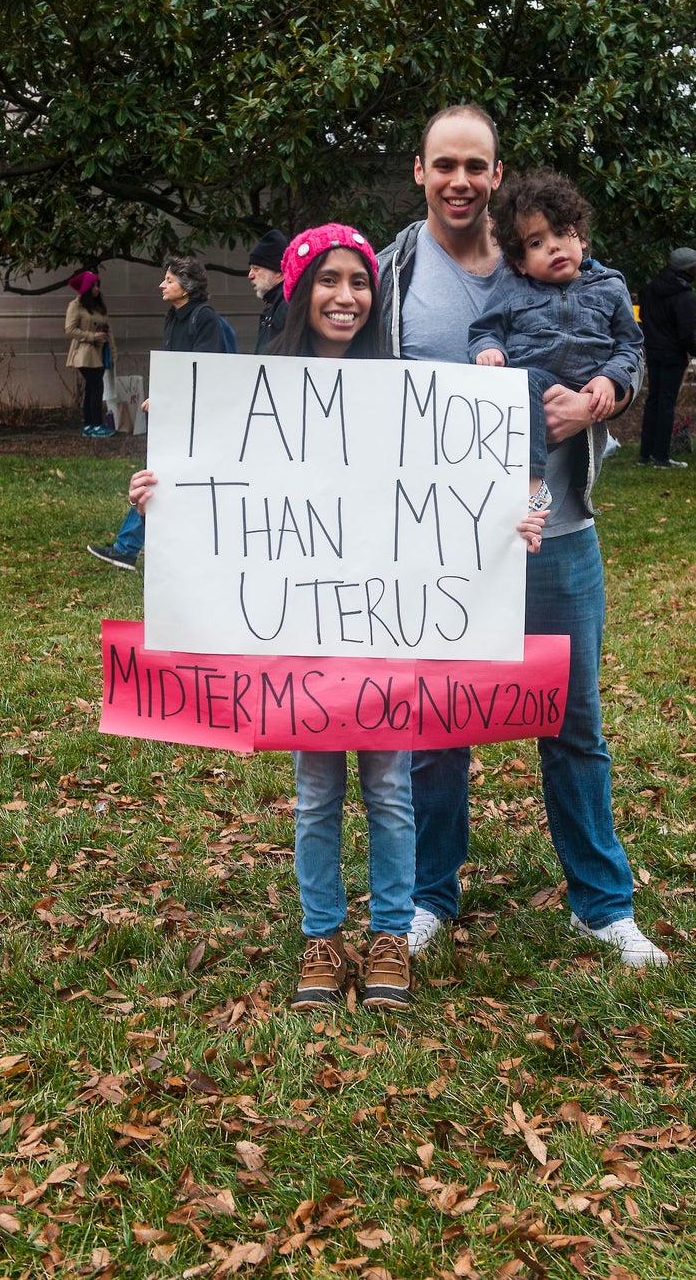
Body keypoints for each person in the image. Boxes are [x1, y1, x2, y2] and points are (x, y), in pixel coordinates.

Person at [128, 221, 547, 1010]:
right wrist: (161, 496)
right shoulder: (251, 393)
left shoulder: (412, 388)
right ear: (299, 290)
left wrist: (526, 510)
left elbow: (498, 474)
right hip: (298, 637)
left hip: (387, 635)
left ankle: (390, 933)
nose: (346, 296)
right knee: (316, 794)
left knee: (391, 789)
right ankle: (322, 938)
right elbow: (211, 493)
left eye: (359, 281)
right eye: (329, 280)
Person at [378, 104, 666, 967]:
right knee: (436, 725)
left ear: (497, 175)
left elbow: (633, 350)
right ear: (419, 173)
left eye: (476, 164)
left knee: (574, 721)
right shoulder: (390, 269)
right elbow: (329, 372)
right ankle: (430, 897)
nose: (459, 179)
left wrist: (600, 401)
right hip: (433, 543)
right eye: (443, 165)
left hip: (560, 531)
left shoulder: (553, 250)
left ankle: (602, 905)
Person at [468, 168, 642, 510]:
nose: (553, 247)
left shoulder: (609, 284)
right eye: (536, 243)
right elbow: (485, 329)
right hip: (534, 385)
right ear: (519, 263)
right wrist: (488, 348)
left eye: (562, 233)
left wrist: (610, 379)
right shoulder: (511, 287)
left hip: (588, 386)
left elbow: (630, 345)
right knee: (525, 382)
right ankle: (532, 485)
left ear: (581, 238)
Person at [87, 257, 237, 571]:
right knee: (161, 477)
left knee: (166, 478)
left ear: (187, 286)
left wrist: (166, 399)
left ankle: (130, 548)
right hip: (176, 416)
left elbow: (204, 371)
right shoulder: (174, 316)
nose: (162, 284)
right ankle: (130, 548)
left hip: (197, 419)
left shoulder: (203, 319)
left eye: (169, 279)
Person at [637, 248, 696, 470]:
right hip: (673, 354)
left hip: (653, 351)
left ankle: (645, 453)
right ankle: (661, 455)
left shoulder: (650, 290)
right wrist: (695, 350)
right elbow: (686, 333)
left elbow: (644, 318)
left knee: (653, 401)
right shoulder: (685, 296)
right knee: (666, 404)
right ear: (687, 269)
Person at [65, 271, 115, 437]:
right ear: (86, 287)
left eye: (98, 285)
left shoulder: (99, 307)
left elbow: (109, 330)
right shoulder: (76, 306)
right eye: (93, 285)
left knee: (91, 389)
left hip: (100, 352)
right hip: (85, 353)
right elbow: (70, 329)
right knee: (96, 387)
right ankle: (96, 424)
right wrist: (92, 336)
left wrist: (113, 352)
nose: (96, 289)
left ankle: (89, 425)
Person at [249, 228, 289, 353]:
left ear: (278, 272)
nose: (250, 275)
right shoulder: (276, 303)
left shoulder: (287, 305)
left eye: (256, 268)